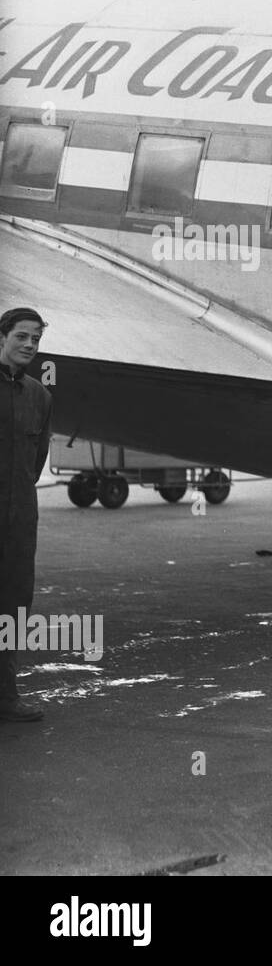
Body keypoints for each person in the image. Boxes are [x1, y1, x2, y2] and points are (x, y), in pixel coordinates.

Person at [1, 307, 52, 724]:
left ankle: (6, 695)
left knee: (15, 603)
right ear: (2, 337)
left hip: (19, 520)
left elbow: (36, 462)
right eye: (21, 337)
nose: (29, 346)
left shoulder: (40, 395)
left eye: (36, 339)